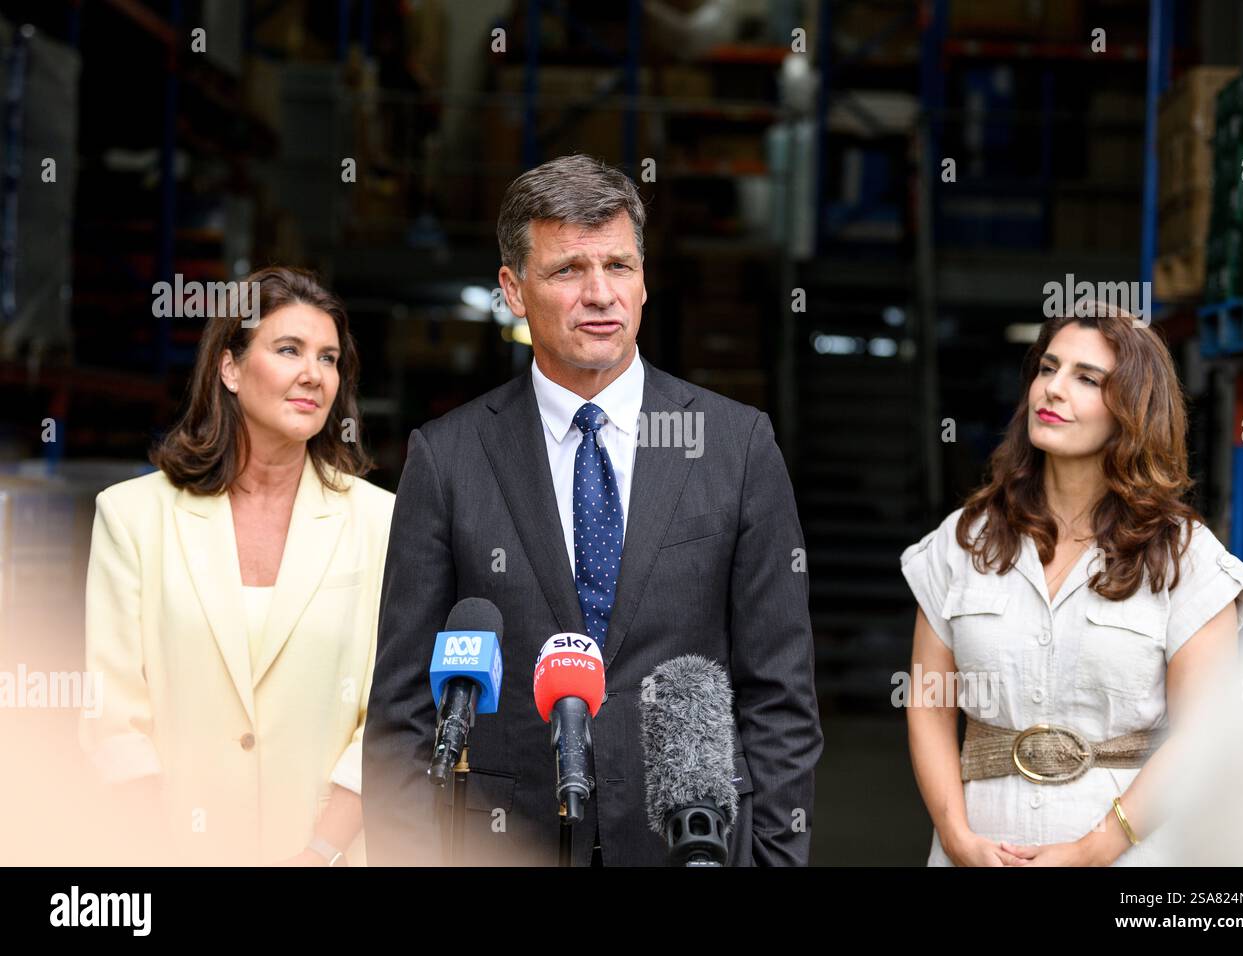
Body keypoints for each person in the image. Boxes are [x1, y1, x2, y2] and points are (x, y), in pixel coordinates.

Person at [363, 153, 823, 866]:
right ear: (513, 290)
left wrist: (771, 859)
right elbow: (402, 714)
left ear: (646, 280)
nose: (600, 294)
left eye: (619, 266)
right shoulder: (447, 457)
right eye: (568, 270)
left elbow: (780, 693)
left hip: (690, 846)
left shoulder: (737, 445)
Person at [902, 304, 1243, 866]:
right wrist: (955, 836)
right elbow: (929, 704)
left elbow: (1204, 732)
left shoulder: (1185, 558)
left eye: (1086, 379)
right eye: (1048, 369)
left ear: (1133, 410)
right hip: (979, 851)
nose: (1053, 390)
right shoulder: (963, 541)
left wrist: (1095, 850)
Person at [81, 266, 394, 866]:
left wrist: (317, 853)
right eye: (288, 350)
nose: (313, 375)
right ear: (229, 368)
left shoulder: (381, 522)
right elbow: (113, 721)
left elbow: (387, 719)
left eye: (328, 358)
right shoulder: (132, 518)